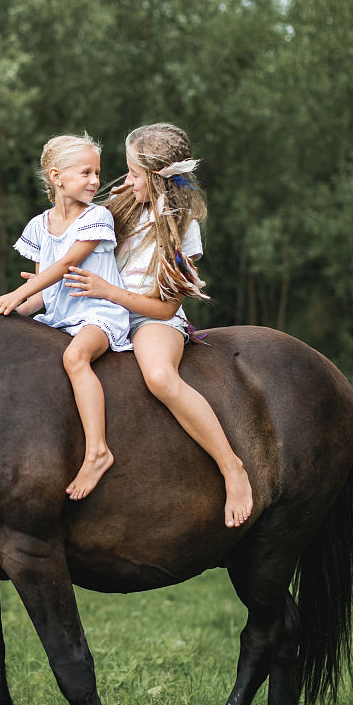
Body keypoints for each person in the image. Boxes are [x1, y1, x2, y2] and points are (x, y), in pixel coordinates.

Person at [64, 122, 253, 528]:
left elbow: (165, 309)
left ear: (156, 178)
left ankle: (232, 467)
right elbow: (78, 239)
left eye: (134, 173)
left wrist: (106, 291)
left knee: (160, 378)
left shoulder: (185, 231)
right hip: (102, 309)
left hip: (151, 319)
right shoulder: (122, 206)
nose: (126, 180)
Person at [0, 133, 132, 501]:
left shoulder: (96, 217)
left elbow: (68, 263)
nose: (95, 181)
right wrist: (10, 311)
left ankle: (98, 450)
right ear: (57, 177)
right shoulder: (38, 226)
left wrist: (18, 292)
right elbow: (42, 293)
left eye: (97, 173)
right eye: (86, 172)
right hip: (59, 318)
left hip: (99, 314)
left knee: (75, 357)